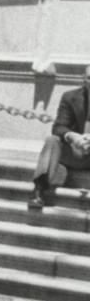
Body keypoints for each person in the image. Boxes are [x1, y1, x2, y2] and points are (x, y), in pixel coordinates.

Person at [30, 65, 90, 211]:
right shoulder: (71, 98)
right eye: (89, 78)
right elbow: (58, 127)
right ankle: (39, 191)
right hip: (77, 152)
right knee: (52, 140)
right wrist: (73, 136)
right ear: (83, 79)